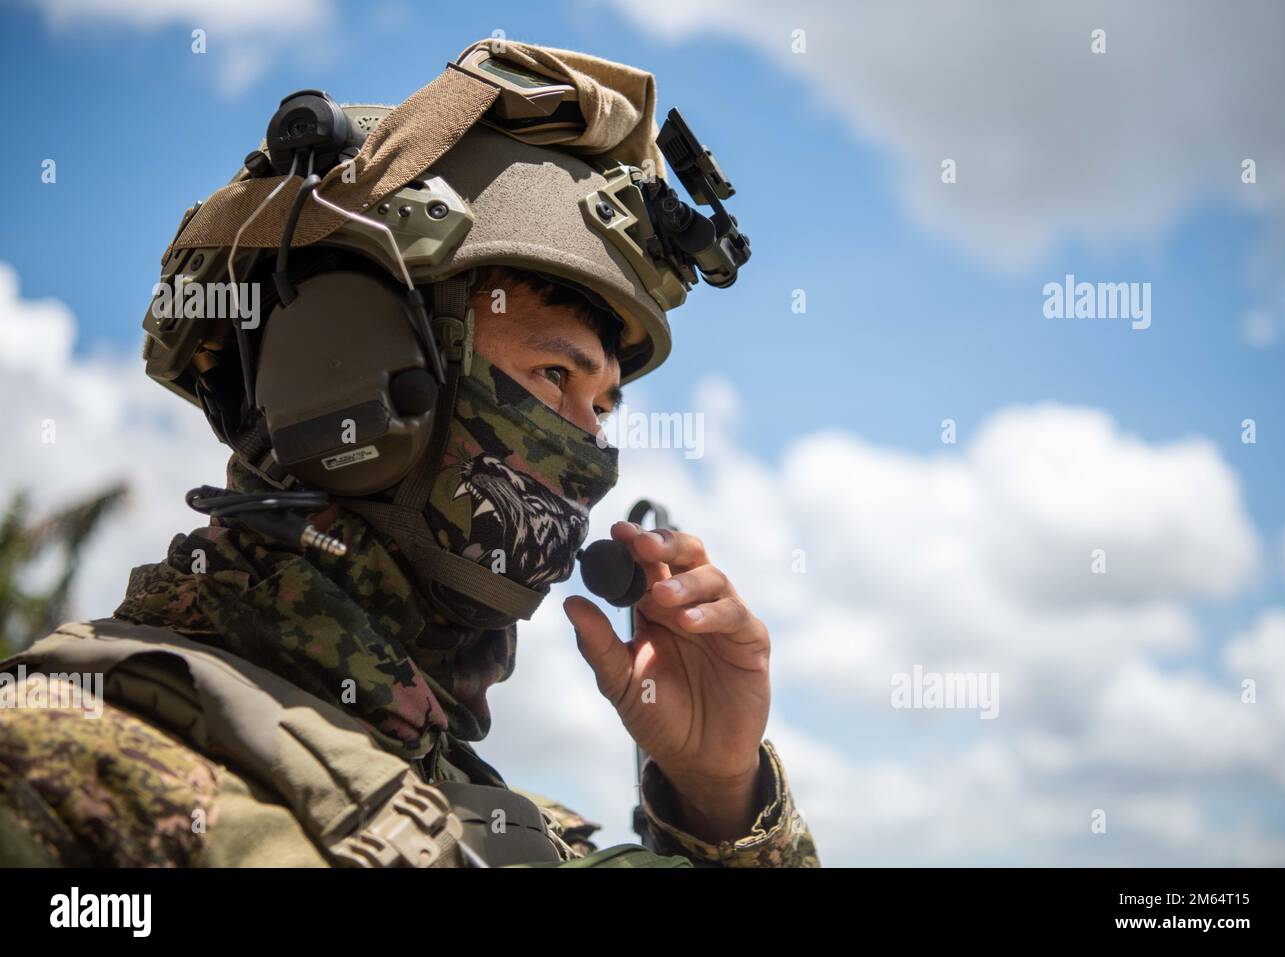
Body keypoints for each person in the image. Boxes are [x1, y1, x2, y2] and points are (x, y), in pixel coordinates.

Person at [0, 39, 818, 868]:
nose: (591, 446)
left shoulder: (524, 835)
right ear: (353, 365)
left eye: (604, 404)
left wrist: (718, 788)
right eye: (554, 375)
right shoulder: (62, 769)